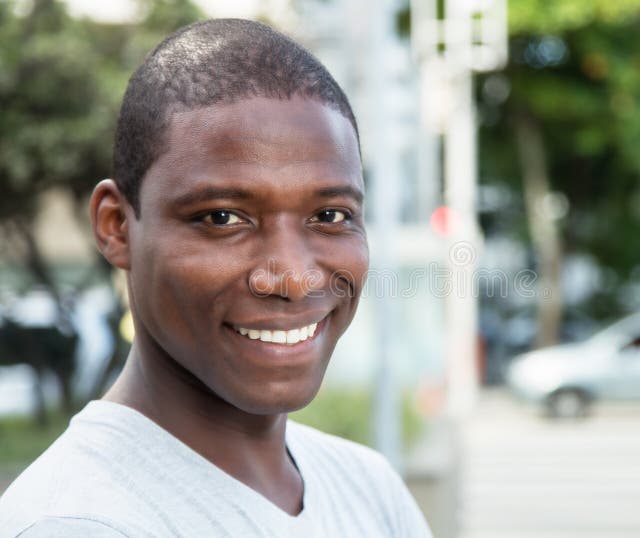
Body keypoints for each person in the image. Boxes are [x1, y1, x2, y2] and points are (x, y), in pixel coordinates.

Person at [0, 18, 432, 538]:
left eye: (331, 216)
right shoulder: (80, 522)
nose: (292, 277)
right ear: (116, 226)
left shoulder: (368, 488)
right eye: (223, 217)